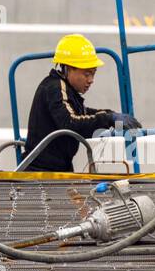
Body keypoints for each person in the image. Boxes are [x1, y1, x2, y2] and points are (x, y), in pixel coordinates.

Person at [22, 34, 140, 171]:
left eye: (93, 73)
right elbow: (70, 122)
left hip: (58, 169)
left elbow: (81, 112)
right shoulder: (55, 87)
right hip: (41, 171)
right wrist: (108, 119)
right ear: (68, 68)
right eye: (86, 74)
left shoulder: (65, 89)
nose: (91, 80)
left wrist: (111, 115)